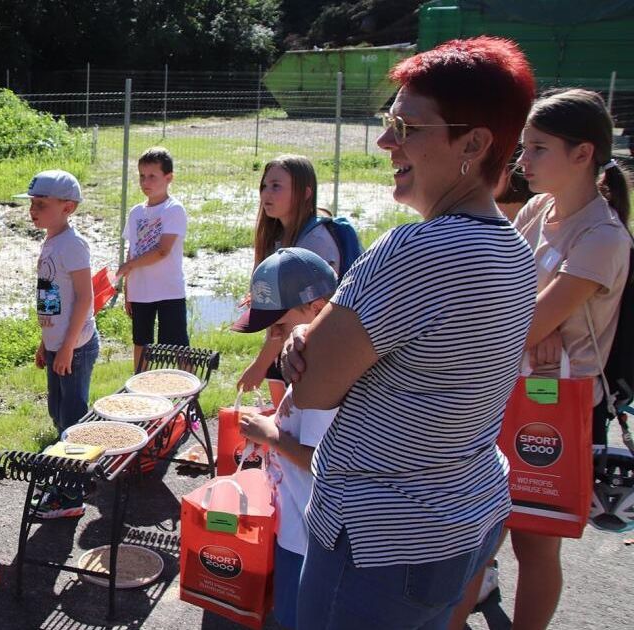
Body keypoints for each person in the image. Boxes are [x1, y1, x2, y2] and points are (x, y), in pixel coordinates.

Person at [278, 37, 538, 629]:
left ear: (473, 143)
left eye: (407, 127)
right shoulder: (515, 251)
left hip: (377, 541)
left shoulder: (419, 249)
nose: (385, 141)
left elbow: (313, 388)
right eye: (388, 121)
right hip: (464, 516)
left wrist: (311, 343)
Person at [463, 88, 631, 630]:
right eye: (523, 147)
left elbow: (524, 320)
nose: (521, 162)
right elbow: (495, 291)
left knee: (534, 547)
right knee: (477, 534)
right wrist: (530, 322)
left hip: (558, 411)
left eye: (537, 149)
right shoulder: (537, 209)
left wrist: (532, 323)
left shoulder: (603, 236)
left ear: (583, 154)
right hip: (505, 392)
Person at [232, 248, 339, 630]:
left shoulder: (323, 373)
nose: (274, 337)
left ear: (317, 306)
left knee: (299, 616)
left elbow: (322, 460)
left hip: (308, 534)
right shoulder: (307, 357)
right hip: (291, 522)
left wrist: (271, 435)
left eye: (279, 324)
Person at [16, 170, 98, 519]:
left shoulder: (72, 245)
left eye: (41, 205)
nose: (33, 210)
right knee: (57, 413)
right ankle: (73, 475)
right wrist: (45, 341)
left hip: (75, 347)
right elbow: (50, 295)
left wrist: (65, 347)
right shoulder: (51, 241)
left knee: (72, 419)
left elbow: (84, 298)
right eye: (32, 204)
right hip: (57, 345)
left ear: (68, 207)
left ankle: (70, 496)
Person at [237, 155, 340, 394]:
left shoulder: (315, 243)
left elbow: (300, 312)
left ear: (305, 193)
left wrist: (260, 365)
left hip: (309, 355)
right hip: (284, 347)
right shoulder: (277, 238)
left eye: (276, 186)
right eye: (264, 186)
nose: (266, 194)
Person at [116, 146, 188, 372]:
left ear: (169, 178)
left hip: (169, 290)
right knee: (141, 343)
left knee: (177, 345)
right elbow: (133, 249)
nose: (145, 182)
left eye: (152, 177)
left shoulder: (173, 209)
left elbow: (162, 250)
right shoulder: (136, 212)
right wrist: (129, 289)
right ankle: (140, 389)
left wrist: (129, 266)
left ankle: (189, 393)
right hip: (140, 291)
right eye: (142, 176)